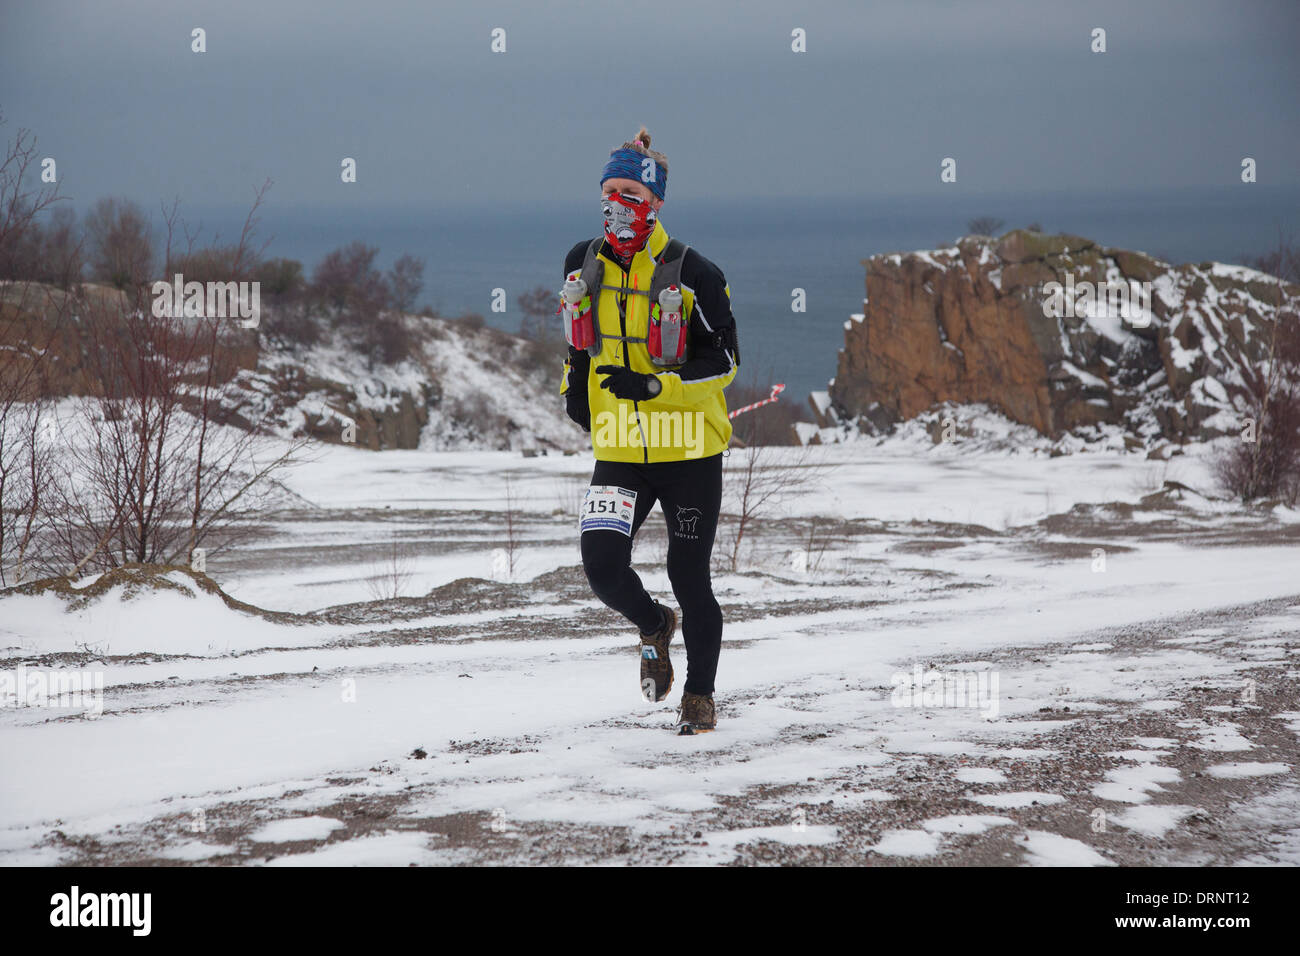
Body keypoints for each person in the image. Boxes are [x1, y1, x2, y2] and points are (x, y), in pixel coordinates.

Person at [559, 127, 740, 735]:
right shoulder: (581, 263)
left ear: (656, 202)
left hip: (689, 451)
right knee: (602, 568)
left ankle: (700, 696)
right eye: (609, 191)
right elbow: (578, 347)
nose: (617, 204)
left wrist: (659, 387)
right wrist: (573, 394)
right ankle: (653, 624)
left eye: (631, 193)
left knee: (691, 577)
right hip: (618, 452)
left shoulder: (695, 272)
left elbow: (728, 362)